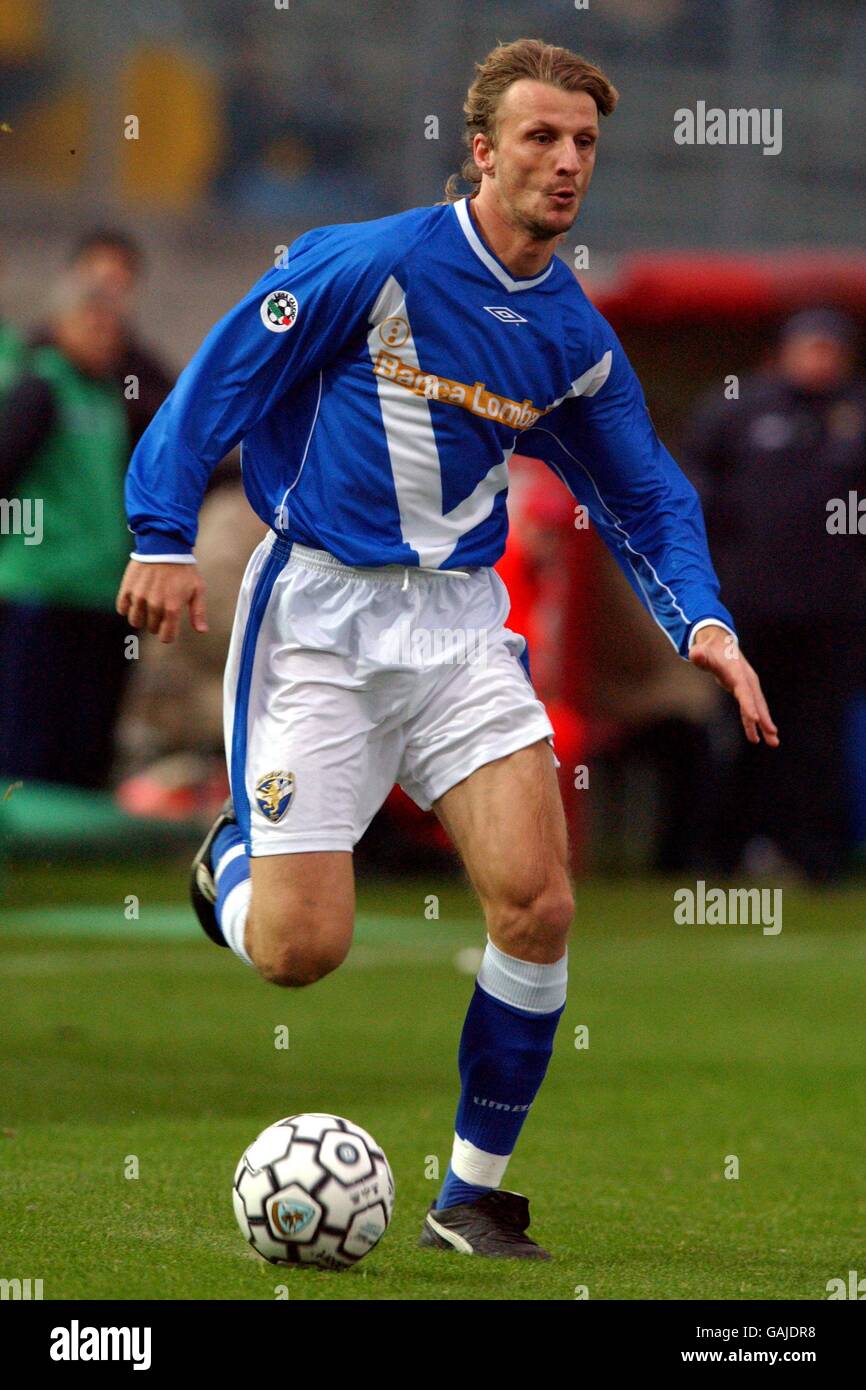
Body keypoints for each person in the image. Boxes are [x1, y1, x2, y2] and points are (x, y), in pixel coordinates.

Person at [117, 39, 776, 1260]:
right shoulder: (363, 264)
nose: (565, 161)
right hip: (315, 617)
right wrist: (159, 533)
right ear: (480, 150)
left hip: (459, 629)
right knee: (299, 954)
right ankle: (230, 867)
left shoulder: (570, 336)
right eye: (539, 137)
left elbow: (645, 494)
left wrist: (704, 624)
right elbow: (213, 381)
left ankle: (468, 1196)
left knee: (536, 904)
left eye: (582, 143)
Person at [683, 308, 865, 882]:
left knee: (818, 735)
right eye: (810, 347)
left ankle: (817, 858)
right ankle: (724, 853)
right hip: (749, 609)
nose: (820, 361)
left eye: (831, 349)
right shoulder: (740, 408)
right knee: (740, 728)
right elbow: (688, 489)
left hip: (832, 611)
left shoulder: (855, 415)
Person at [0, 279, 131, 788]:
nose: (102, 336)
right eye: (91, 324)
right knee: (27, 731)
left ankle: (76, 842)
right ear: (61, 328)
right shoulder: (39, 388)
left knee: (85, 734)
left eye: (110, 327)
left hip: (99, 591)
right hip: (40, 586)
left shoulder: (112, 397)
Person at [30, 229, 174, 452]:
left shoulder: (135, 372)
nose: (106, 298)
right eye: (99, 282)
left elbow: (158, 424)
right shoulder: (32, 361)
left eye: (118, 285)